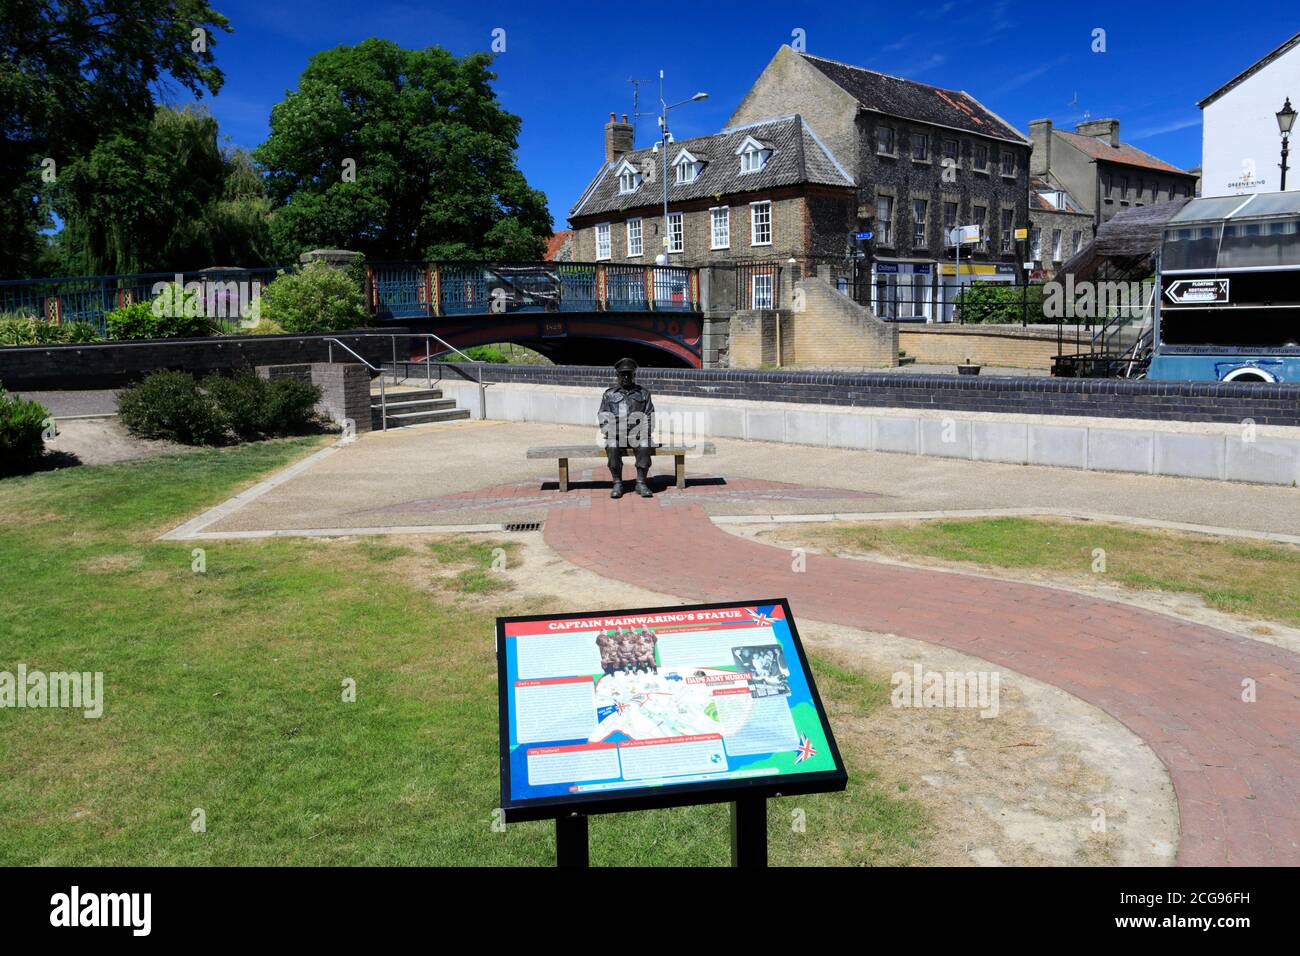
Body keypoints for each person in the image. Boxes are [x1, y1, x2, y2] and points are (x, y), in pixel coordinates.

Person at [598, 357, 655, 499]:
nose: (625, 377)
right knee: (612, 445)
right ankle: (617, 483)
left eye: (629, 374)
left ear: (634, 375)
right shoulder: (609, 394)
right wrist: (613, 432)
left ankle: (641, 482)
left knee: (644, 443)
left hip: (637, 435)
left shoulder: (643, 393)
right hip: (616, 435)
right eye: (622, 374)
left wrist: (642, 432)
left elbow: (649, 416)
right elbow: (603, 417)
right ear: (617, 376)